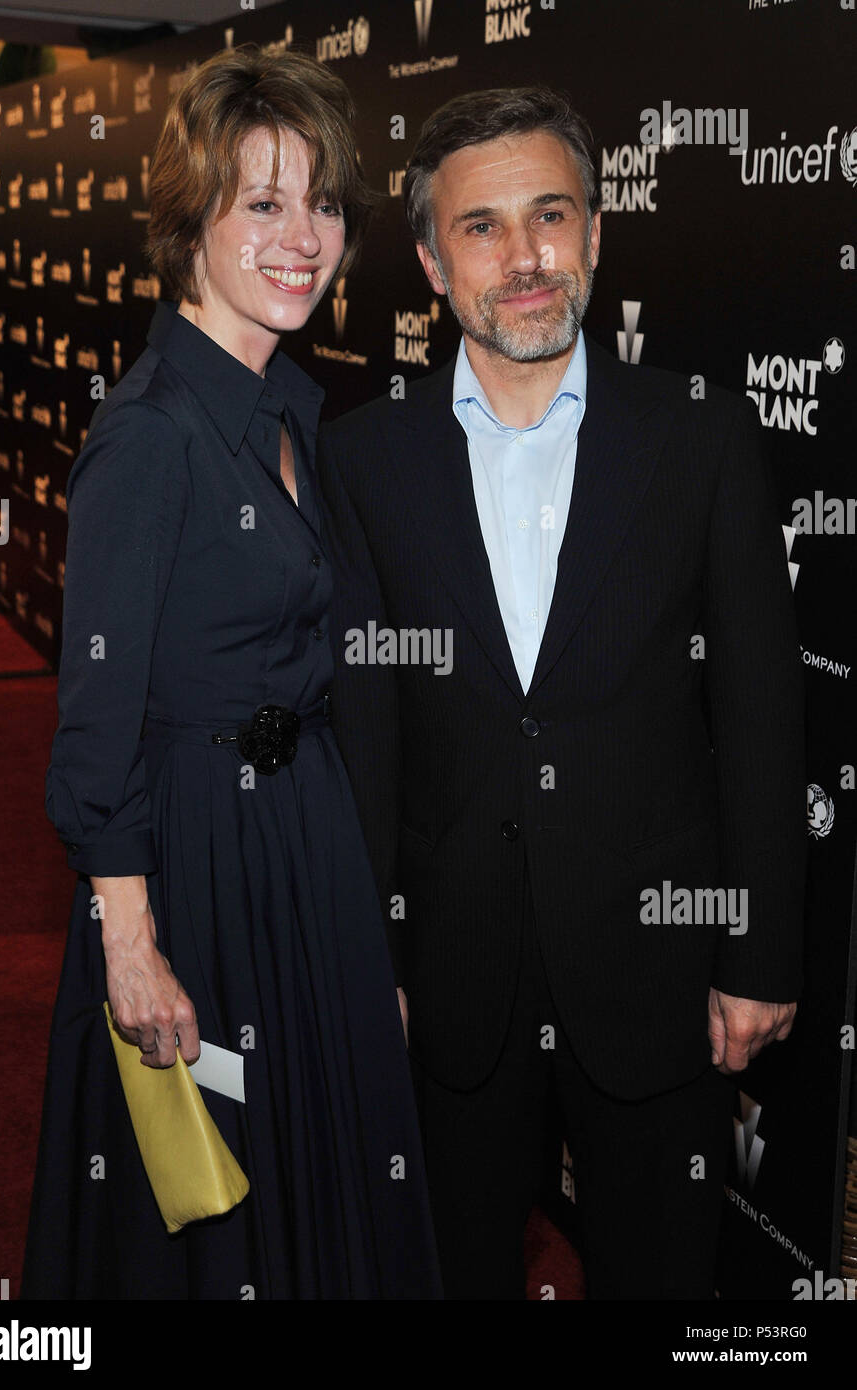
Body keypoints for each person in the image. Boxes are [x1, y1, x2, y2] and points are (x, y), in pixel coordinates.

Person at [316, 86, 805, 1300]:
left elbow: (758, 715)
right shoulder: (365, 455)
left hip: (656, 977)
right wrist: (370, 953)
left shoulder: (698, 436)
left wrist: (759, 951)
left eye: (550, 215)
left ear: (596, 231)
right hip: (452, 979)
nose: (523, 257)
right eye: (481, 228)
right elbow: (366, 730)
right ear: (431, 261)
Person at [21, 45, 442, 1301]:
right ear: (188, 221)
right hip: (192, 863)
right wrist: (130, 944)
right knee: (208, 1200)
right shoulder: (149, 438)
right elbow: (94, 721)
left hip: (303, 846)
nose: (299, 236)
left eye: (319, 203)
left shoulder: (291, 411)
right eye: (260, 203)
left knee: (317, 1176)